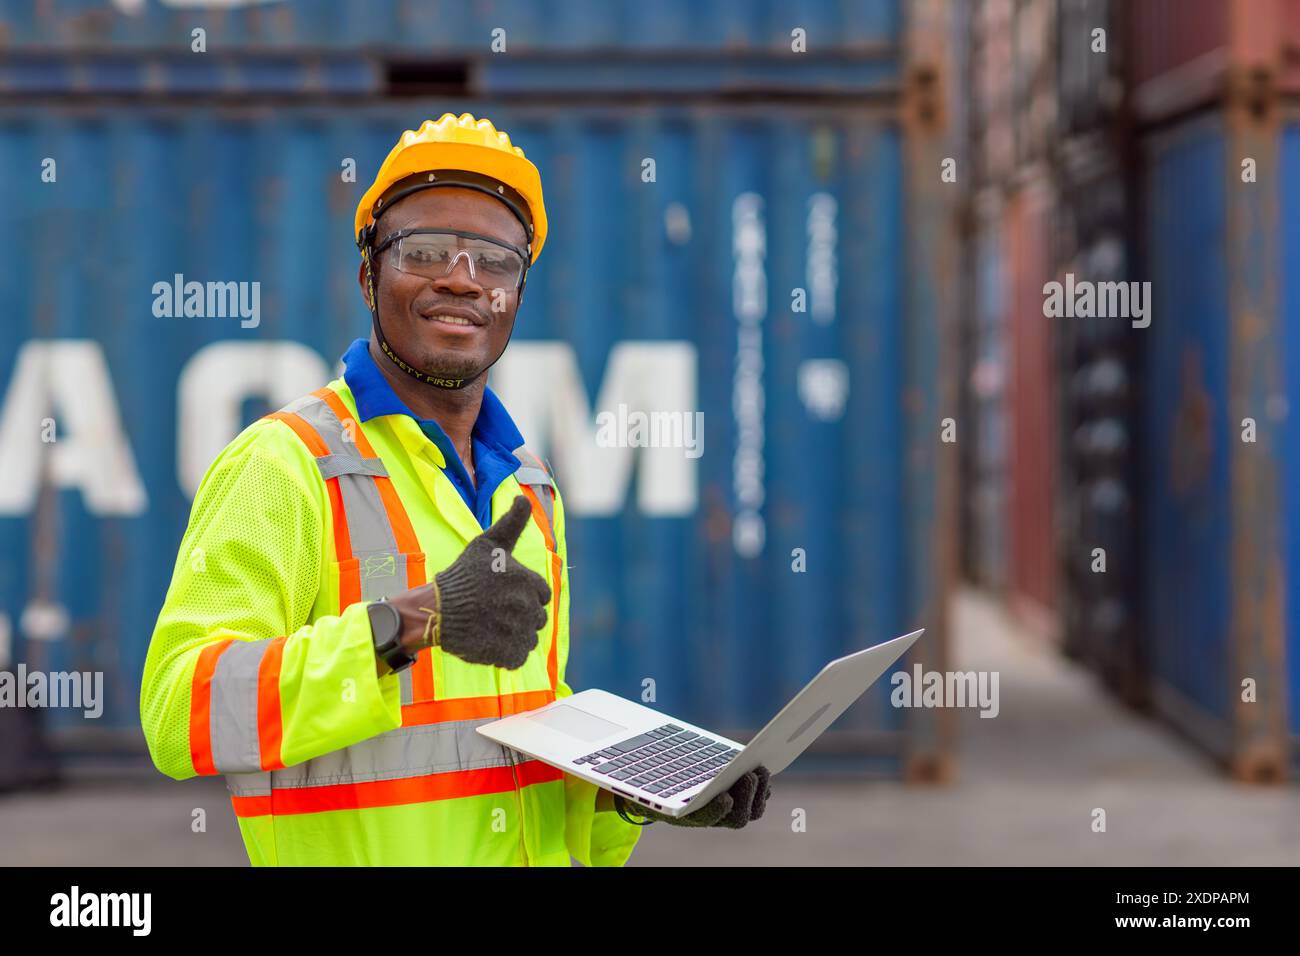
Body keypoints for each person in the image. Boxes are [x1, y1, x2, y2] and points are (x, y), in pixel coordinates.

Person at [139, 112, 770, 866]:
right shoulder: (286, 463)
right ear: (370, 272)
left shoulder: (529, 487)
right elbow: (181, 711)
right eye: (427, 250)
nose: (462, 278)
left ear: (517, 291)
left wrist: (628, 796)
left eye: (495, 260)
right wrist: (410, 624)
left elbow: (498, 744)